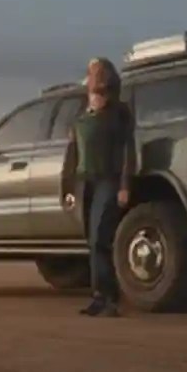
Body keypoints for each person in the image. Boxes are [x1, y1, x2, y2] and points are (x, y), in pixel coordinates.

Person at [60, 57, 136, 317]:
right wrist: (67, 187)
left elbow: (128, 150)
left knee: (100, 238)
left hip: (109, 179)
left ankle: (110, 298)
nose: (94, 76)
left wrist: (125, 184)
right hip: (86, 181)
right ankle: (99, 296)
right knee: (91, 241)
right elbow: (72, 153)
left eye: (98, 71)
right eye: (91, 72)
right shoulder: (82, 112)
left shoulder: (119, 112)